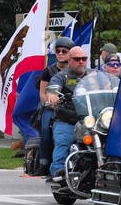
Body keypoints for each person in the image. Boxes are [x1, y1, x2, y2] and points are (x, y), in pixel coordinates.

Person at [46, 47, 91, 180]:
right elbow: (52, 90)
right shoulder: (61, 76)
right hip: (68, 119)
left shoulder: (94, 75)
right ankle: (58, 171)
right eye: (77, 59)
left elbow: (108, 85)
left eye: (84, 59)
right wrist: (52, 95)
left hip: (90, 119)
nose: (81, 62)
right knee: (63, 141)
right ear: (70, 61)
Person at [32, 37, 73, 177]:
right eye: (58, 51)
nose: (60, 53)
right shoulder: (48, 71)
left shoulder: (77, 71)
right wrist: (50, 103)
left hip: (73, 109)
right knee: (46, 130)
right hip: (52, 108)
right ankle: (44, 163)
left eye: (64, 51)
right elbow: (42, 93)